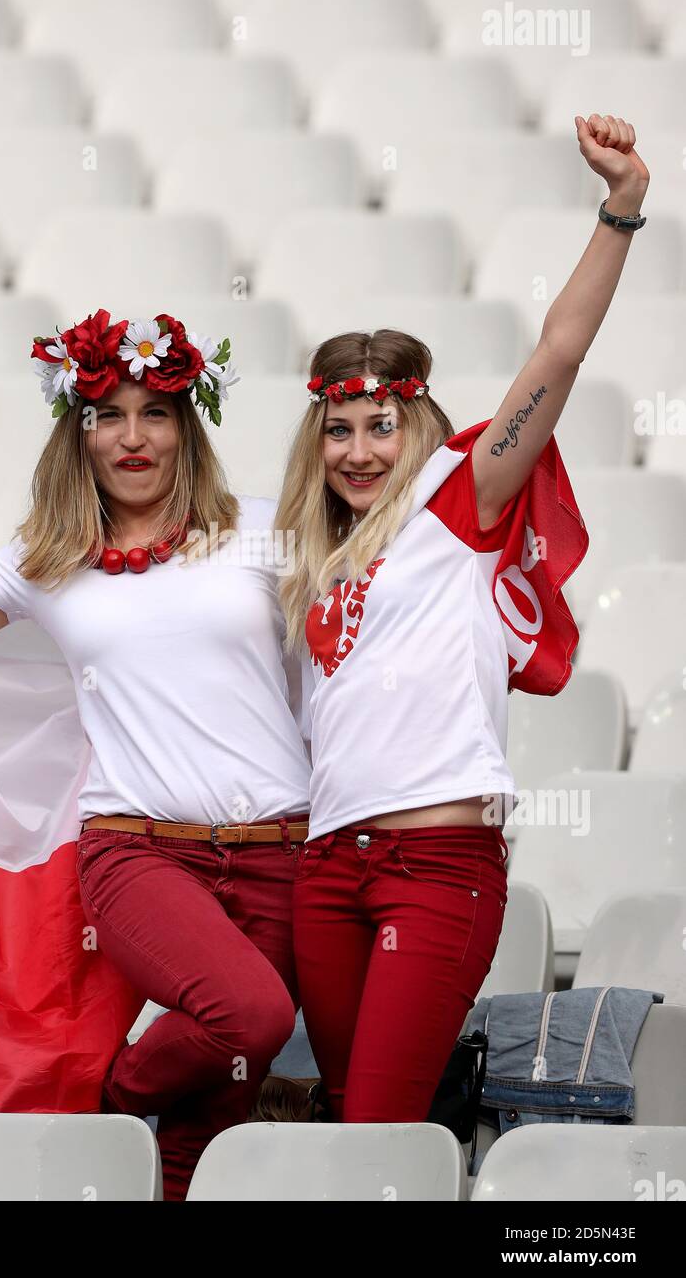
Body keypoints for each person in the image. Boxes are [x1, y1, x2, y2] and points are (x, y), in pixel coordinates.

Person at [0, 308, 312, 1201]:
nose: (132, 436)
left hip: (283, 847)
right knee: (251, 1017)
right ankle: (109, 1097)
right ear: (77, 434)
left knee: (219, 1110)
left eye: (156, 412)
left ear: (188, 426)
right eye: (106, 415)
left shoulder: (265, 530)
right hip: (137, 851)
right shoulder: (50, 558)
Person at [275, 113, 648, 1124]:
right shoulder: (307, 559)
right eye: (338, 429)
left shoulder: (459, 502)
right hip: (326, 872)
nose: (357, 450)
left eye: (379, 425)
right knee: (352, 1121)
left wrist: (619, 207)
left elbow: (558, 355)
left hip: (436, 864)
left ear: (419, 425)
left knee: (375, 1126)